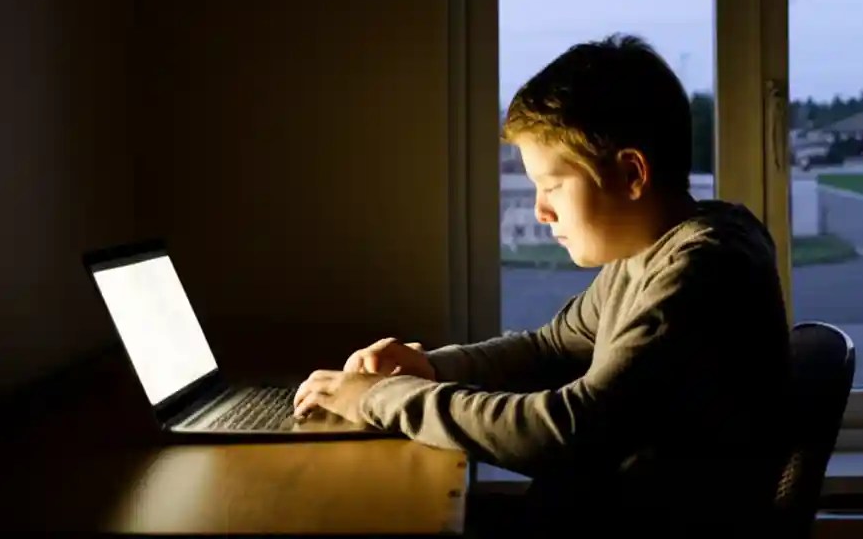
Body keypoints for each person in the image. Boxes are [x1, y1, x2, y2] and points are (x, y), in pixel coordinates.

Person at [293, 34, 791, 534]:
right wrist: (430, 367)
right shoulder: (645, 251)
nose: (540, 210)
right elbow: (552, 349)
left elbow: (573, 431)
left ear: (631, 173)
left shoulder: (703, 269)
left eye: (552, 186)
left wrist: (384, 398)